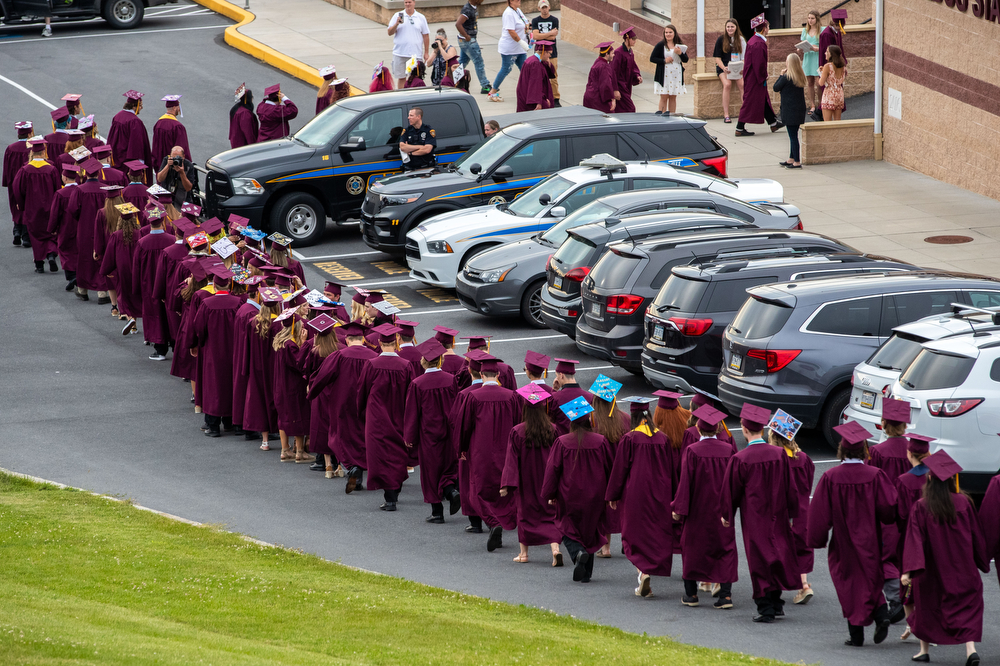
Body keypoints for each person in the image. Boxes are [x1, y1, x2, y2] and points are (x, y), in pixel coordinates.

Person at [808, 421, 897, 647]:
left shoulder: (830, 477)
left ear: (842, 450)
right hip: (871, 540)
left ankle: (856, 635)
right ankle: (881, 614)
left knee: (848, 583)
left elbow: (819, 513)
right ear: (864, 449)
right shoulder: (875, 475)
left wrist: (817, 537)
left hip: (843, 541)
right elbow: (888, 509)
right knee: (870, 578)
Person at [901, 450, 989, 665]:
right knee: (967, 605)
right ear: (952, 479)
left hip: (932, 569)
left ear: (929, 479)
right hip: (962, 567)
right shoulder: (964, 503)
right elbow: (977, 535)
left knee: (926, 607)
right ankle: (970, 650)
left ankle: (924, 651)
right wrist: (982, 561)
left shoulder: (921, 506)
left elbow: (914, 540)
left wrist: (909, 570)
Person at [721, 402, 799, 623]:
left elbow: (731, 491)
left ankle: (766, 608)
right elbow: (789, 486)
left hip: (755, 518)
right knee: (777, 555)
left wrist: (727, 514)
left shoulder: (740, 459)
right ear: (762, 430)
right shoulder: (779, 454)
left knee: (759, 561)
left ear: (744, 430)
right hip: (778, 515)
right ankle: (776, 602)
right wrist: (792, 514)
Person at [606, 397, 676, 597]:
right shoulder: (663, 438)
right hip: (660, 494)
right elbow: (671, 470)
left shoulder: (629, 439)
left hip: (635, 494)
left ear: (633, 417)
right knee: (654, 533)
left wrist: (613, 494)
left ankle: (642, 573)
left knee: (633, 534)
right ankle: (646, 572)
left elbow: (620, 469)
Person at [672, 404, 738, 608]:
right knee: (725, 549)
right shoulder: (729, 450)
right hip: (722, 511)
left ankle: (691, 595)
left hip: (697, 510)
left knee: (692, 548)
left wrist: (678, 509)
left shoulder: (692, 451)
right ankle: (725, 596)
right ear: (718, 428)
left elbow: (685, 483)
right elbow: (735, 482)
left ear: (698, 429)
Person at [542, 397, 613, 583]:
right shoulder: (601, 441)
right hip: (596, 494)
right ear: (590, 420)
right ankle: (586, 574)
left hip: (569, 494)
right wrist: (611, 494)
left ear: (571, 421)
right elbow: (609, 468)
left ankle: (578, 553)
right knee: (590, 529)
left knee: (566, 526)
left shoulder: (562, 442)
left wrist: (550, 494)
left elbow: (553, 470)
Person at [455, 355, 522, 551]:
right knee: (505, 488)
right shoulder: (512, 396)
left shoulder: (472, 397)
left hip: (480, 451)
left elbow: (464, 427)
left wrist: (461, 449)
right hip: (506, 450)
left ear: (481, 374)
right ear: (499, 374)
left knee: (477, 491)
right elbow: (518, 424)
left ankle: (493, 523)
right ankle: (506, 520)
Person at [308, 321, 378, 493]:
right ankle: (360, 470)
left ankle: (352, 467)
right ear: (362, 339)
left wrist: (312, 392)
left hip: (343, 403)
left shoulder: (339, 356)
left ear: (347, 339)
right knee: (364, 436)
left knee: (343, 437)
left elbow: (322, 376)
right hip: (368, 404)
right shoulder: (374, 356)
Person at [501, 383, 562, 565]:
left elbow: (511, 459)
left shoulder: (517, 431)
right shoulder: (553, 429)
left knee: (525, 513)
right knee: (550, 514)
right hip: (547, 478)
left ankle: (524, 554)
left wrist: (506, 484)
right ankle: (555, 549)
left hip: (526, 479)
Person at [358, 323, 415, 511]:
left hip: (377, 419)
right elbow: (411, 394)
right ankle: (395, 488)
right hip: (399, 415)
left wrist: (361, 412)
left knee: (380, 455)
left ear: (380, 342)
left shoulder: (372, 364)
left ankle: (390, 497)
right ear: (397, 341)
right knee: (398, 452)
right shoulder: (406, 365)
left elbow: (362, 391)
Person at [403, 338, 461, 523]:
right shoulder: (451, 380)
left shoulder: (418, 384)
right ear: (440, 360)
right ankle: (451, 491)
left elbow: (412, 413)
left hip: (429, 434)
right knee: (448, 466)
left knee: (430, 472)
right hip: (449, 432)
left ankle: (437, 512)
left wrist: (409, 437)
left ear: (423, 361)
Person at [867, 398, 913, 623]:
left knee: (886, 557)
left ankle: (896, 601)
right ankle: (911, 600)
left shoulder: (876, 452)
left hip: (886, 514)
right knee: (908, 556)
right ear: (906, 425)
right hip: (913, 512)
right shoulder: (913, 450)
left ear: (883, 422)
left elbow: (869, 484)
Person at [767, 411, 815, 606]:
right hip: (803, 511)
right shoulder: (804, 459)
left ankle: (776, 588)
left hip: (781, 513)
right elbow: (809, 483)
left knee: (779, 548)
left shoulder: (774, 460)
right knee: (801, 548)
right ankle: (803, 585)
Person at [893, 432, 935, 641]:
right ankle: (928, 624)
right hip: (936, 537)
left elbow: (900, 514)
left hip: (909, 538)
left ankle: (913, 625)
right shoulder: (937, 476)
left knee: (909, 583)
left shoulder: (904, 481)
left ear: (909, 454)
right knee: (930, 582)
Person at [132, 202, 174, 360]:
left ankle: (160, 349)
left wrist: (136, 288)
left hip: (149, 284)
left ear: (149, 222)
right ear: (163, 220)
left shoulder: (142, 243)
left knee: (155, 314)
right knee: (170, 313)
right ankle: (175, 345)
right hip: (170, 284)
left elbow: (136, 268)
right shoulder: (171, 241)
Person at [12, 138, 60, 274]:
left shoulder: (24, 170)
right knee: (50, 232)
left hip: (32, 208)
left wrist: (21, 206)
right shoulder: (51, 169)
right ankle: (51, 254)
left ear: (32, 152)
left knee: (36, 235)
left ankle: (39, 264)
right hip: (50, 208)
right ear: (44, 152)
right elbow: (58, 190)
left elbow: (17, 189)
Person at [272, 307, 313, 463]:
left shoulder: (279, 342)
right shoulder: (291, 345)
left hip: (280, 386)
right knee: (298, 415)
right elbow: (299, 364)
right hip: (293, 386)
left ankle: (285, 450)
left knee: (283, 417)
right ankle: (300, 453)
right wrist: (303, 344)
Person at [98, 203, 143, 334]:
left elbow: (110, 254)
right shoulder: (140, 234)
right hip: (137, 269)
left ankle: (130, 318)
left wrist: (106, 270)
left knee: (124, 295)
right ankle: (134, 325)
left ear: (120, 220)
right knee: (136, 295)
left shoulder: (116, 235)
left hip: (122, 270)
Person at [736, 14, 782, 137]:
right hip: (755, 78)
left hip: (752, 77)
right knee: (750, 101)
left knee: (763, 99)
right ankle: (739, 128)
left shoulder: (754, 40)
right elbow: (758, 64)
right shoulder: (758, 43)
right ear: (764, 29)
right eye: (768, 27)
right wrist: (763, 76)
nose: (768, 29)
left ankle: (773, 123)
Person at [47, 162, 81, 290]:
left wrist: (52, 229)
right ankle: (79, 274)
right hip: (81, 226)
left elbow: (55, 213)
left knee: (66, 251)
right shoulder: (82, 191)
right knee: (79, 250)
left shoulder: (61, 194)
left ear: (65, 178)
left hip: (65, 227)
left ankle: (72, 276)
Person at [488, 0, 530, 103]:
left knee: (525, 69)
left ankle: (528, 91)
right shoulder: (508, 13)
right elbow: (511, 31)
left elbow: (526, 23)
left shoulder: (518, 10)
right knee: (506, 69)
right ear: (510, 1)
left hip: (520, 48)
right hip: (510, 48)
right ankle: (492, 92)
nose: (519, 1)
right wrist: (521, 41)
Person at [107, 91, 153, 182]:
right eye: (140, 105)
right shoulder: (135, 121)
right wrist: (139, 166)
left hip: (116, 157)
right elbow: (136, 146)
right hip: (127, 162)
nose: (141, 108)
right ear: (134, 106)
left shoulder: (117, 116)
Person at [774, 53, 807, 169]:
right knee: (793, 135)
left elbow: (775, 88)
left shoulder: (786, 77)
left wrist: (780, 75)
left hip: (790, 111)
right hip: (798, 110)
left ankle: (797, 161)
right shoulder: (800, 76)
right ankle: (791, 158)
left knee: (793, 136)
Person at [388, 0, 430, 90]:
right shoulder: (397, 15)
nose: (407, 4)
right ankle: (401, 97)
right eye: (406, 2)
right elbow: (389, 32)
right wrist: (396, 24)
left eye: (409, 2)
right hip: (400, 53)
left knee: (415, 77)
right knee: (401, 77)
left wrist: (426, 52)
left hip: (415, 55)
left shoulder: (420, 17)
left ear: (414, 2)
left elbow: (426, 35)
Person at [4, 121, 34, 247]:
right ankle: (26, 236)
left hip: (13, 182)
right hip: (29, 183)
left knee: (16, 205)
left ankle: (17, 231)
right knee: (27, 207)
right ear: (30, 133)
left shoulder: (11, 148)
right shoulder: (33, 148)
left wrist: (7, 181)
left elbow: (6, 167)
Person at [713, 19, 746, 123]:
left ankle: (745, 113)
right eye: (728, 27)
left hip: (737, 67)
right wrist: (724, 68)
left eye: (732, 27)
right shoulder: (721, 39)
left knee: (742, 85)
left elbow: (745, 57)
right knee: (727, 84)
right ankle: (726, 114)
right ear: (725, 28)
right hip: (724, 67)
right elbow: (717, 59)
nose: (730, 29)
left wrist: (742, 67)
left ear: (736, 28)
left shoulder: (741, 40)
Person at [817, 8, 848, 120]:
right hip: (834, 75)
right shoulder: (826, 34)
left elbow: (820, 82)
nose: (840, 29)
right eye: (838, 26)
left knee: (829, 122)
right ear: (834, 24)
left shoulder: (836, 32)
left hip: (830, 90)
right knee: (837, 120)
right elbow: (828, 55)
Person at [649, 24, 687, 115]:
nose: (668, 34)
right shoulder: (661, 45)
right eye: (666, 32)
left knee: (673, 97)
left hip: (676, 73)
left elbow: (686, 59)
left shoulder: (679, 45)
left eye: (670, 32)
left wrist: (680, 53)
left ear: (674, 33)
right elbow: (652, 58)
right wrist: (664, 60)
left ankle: (672, 116)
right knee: (664, 96)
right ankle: (661, 115)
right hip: (664, 74)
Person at [455, 0, 491, 94]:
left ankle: (451, 81)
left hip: (466, 41)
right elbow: (458, 24)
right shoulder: (467, 9)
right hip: (468, 41)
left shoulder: (473, 7)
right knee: (478, 62)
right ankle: (485, 85)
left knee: (462, 62)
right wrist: (467, 36)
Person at [530, 0, 560, 107]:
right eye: (542, 8)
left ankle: (556, 99)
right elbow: (535, 36)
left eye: (546, 7)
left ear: (549, 7)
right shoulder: (535, 20)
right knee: (539, 76)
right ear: (538, 9)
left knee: (553, 76)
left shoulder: (554, 20)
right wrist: (549, 33)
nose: (544, 9)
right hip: (538, 53)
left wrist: (542, 35)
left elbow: (553, 37)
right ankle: (541, 97)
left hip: (552, 52)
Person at [151, 96, 191, 174]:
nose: (179, 109)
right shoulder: (177, 126)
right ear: (174, 108)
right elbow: (182, 148)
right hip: (174, 167)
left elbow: (155, 146)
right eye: (178, 107)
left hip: (160, 165)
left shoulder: (158, 124)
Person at [515, 41, 554, 112]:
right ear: (544, 52)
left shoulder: (531, 60)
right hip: (531, 98)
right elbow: (535, 84)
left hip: (525, 94)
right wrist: (539, 102)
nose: (550, 56)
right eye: (550, 53)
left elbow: (550, 73)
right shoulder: (535, 64)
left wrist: (548, 64)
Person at [612, 27, 643, 113]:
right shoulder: (619, 52)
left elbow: (633, 66)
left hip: (627, 84)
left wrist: (637, 75)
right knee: (630, 108)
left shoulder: (630, 52)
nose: (635, 41)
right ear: (627, 39)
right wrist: (615, 89)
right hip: (620, 85)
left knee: (621, 108)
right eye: (633, 39)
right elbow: (614, 71)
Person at [799, 10, 822, 117]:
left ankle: (820, 104)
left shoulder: (821, 30)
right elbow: (802, 42)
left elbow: (825, 46)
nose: (810, 20)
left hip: (817, 57)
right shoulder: (805, 30)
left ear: (817, 19)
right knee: (809, 82)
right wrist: (800, 49)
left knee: (819, 82)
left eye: (812, 18)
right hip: (808, 57)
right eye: (808, 18)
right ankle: (812, 105)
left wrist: (815, 48)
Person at [399, 107, 436, 172]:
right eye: (409, 115)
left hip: (426, 169)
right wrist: (421, 147)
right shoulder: (407, 131)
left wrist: (410, 152)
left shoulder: (428, 131)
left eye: (411, 115)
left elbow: (427, 150)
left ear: (418, 117)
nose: (408, 117)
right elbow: (402, 147)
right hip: (410, 169)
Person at [583, 42, 617, 113]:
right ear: (607, 54)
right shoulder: (604, 66)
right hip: (597, 99)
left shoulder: (597, 62)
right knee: (609, 117)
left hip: (589, 96)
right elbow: (606, 85)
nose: (614, 55)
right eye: (612, 53)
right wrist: (612, 99)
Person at [819, 45, 847, 122]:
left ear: (831, 54)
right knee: (837, 121)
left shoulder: (827, 66)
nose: (825, 53)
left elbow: (821, 83)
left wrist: (821, 73)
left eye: (827, 51)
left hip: (829, 94)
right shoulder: (843, 66)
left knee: (827, 122)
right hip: (839, 93)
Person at [229, 83, 258, 149]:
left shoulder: (236, 108)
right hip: (242, 144)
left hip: (235, 140)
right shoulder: (245, 113)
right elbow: (248, 132)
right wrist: (253, 146)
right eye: (251, 97)